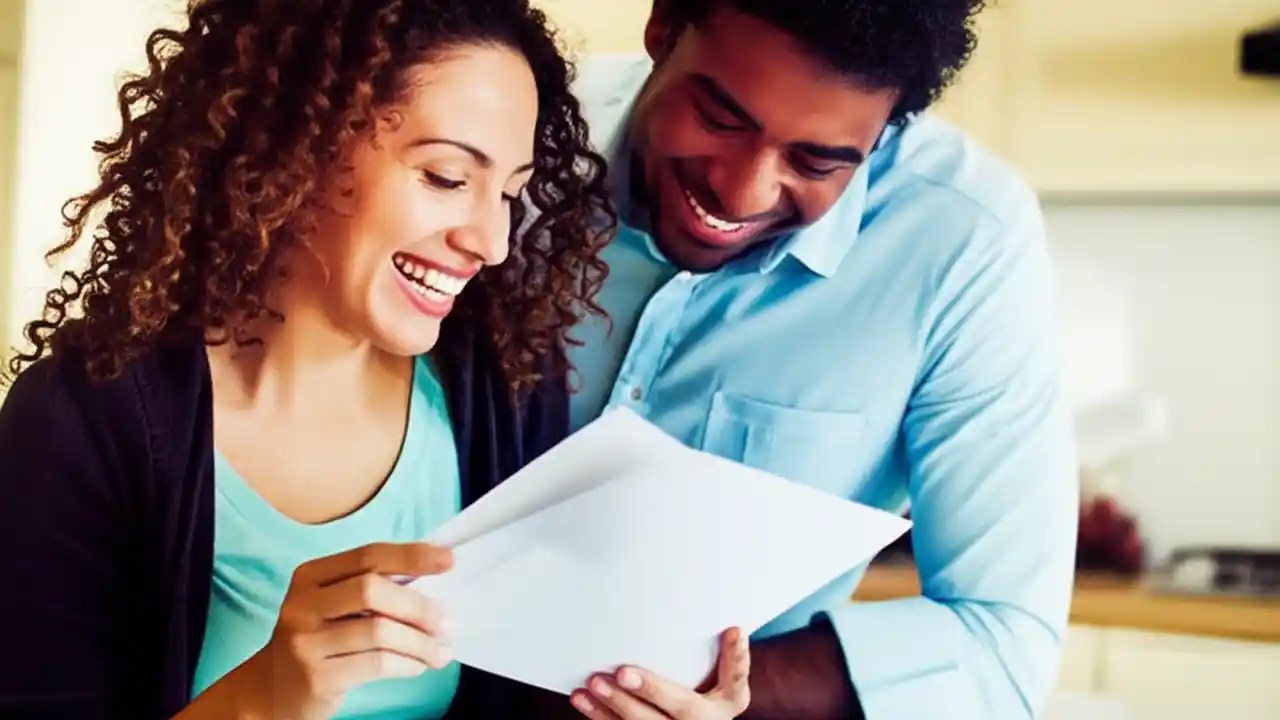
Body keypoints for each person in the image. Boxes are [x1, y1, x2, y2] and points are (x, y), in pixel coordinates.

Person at [0, 1, 751, 718]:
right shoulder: (80, 423)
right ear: (294, 140)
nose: (491, 243)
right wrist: (264, 698)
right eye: (447, 178)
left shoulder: (504, 384)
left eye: (509, 194)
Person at [563, 1, 1079, 719]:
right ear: (664, 27)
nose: (740, 192)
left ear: (889, 125)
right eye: (718, 118)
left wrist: (707, 697)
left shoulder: (962, 239)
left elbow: (1001, 639)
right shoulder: (511, 132)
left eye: (815, 161)